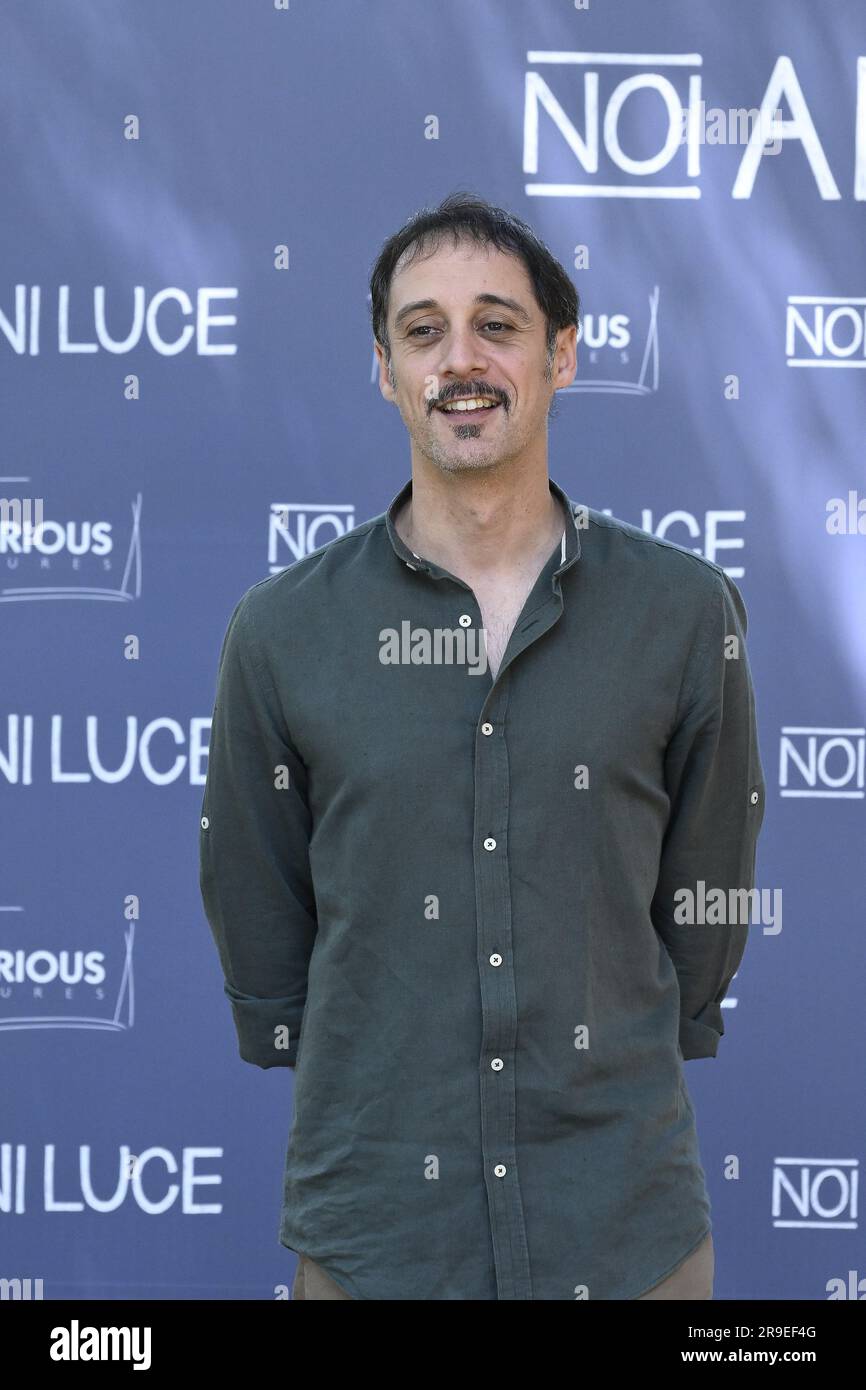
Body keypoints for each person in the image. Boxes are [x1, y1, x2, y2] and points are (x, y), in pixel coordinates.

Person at [199, 191, 765, 1300]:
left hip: (625, 1229)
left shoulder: (685, 614)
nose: (459, 359)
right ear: (382, 368)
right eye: (423, 330)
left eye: (495, 324)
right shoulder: (282, 631)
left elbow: (704, 901)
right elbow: (262, 918)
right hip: (379, 1241)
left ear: (561, 352)